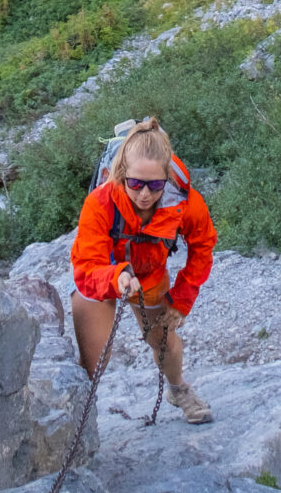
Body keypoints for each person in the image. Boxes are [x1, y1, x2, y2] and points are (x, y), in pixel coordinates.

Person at [70, 115, 218, 423]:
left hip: (149, 275)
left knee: (163, 341)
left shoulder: (185, 203)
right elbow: (86, 267)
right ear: (121, 174)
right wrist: (117, 276)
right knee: (94, 357)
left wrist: (181, 301)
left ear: (167, 179)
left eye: (155, 185)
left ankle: (178, 391)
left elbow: (203, 247)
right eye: (135, 183)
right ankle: (80, 411)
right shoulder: (100, 203)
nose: (145, 194)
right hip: (103, 273)